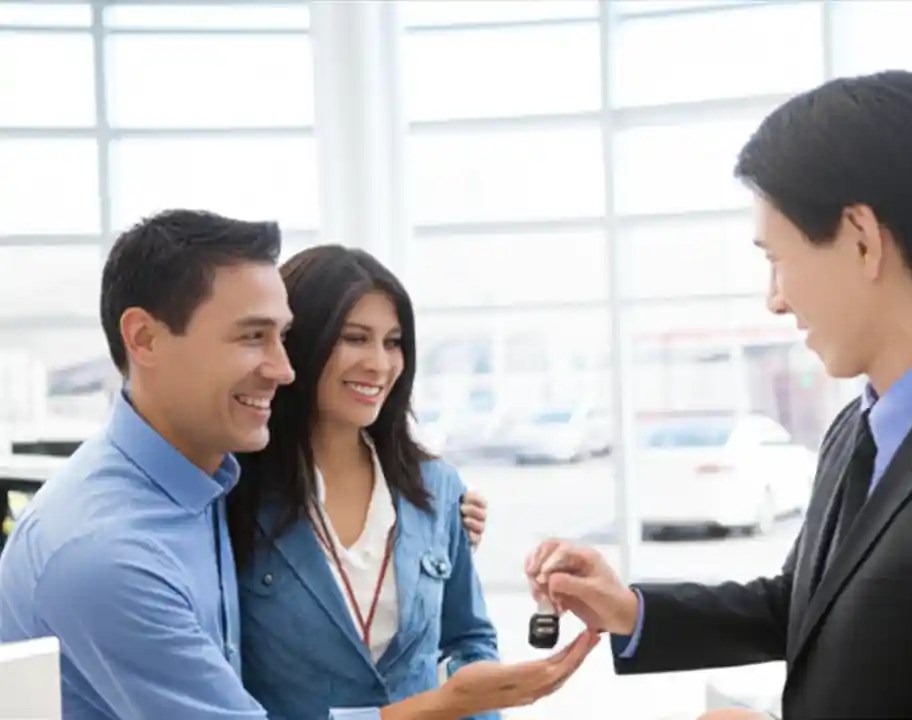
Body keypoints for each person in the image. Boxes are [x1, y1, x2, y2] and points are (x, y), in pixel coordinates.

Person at [527, 70, 912, 719]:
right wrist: (632, 610)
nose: (776, 298)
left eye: (776, 258)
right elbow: (803, 603)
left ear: (862, 241)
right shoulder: (859, 427)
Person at [0, 209, 598, 720]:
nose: (282, 367)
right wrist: (441, 705)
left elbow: (465, 632)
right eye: (253, 336)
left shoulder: (204, 482)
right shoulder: (115, 548)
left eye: (281, 336)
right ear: (146, 339)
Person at [227, 245, 500, 718]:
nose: (379, 363)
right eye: (354, 338)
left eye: (393, 342)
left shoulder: (436, 488)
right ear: (301, 342)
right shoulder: (234, 491)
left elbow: (469, 641)